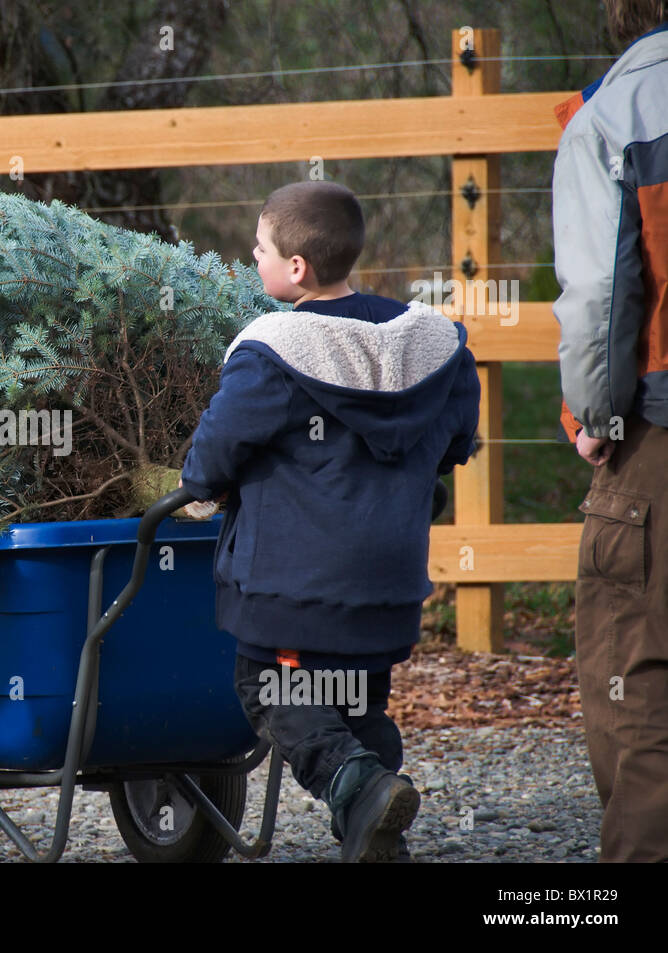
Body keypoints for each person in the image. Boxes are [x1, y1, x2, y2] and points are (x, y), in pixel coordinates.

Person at [179, 180, 480, 862]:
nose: (251, 257)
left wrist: (198, 487)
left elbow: (217, 451)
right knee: (357, 705)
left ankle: (357, 786)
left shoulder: (274, 354)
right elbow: (459, 440)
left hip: (293, 587)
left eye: (259, 248)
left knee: (269, 686)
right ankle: (375, 832)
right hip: (389, 586)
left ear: (295, 269)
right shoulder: (431, 348)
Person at [552, 0, 668, 862]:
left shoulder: (622, 108)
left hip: (658, 434)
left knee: (640, 695)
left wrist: (597, 414)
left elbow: (602, 297)